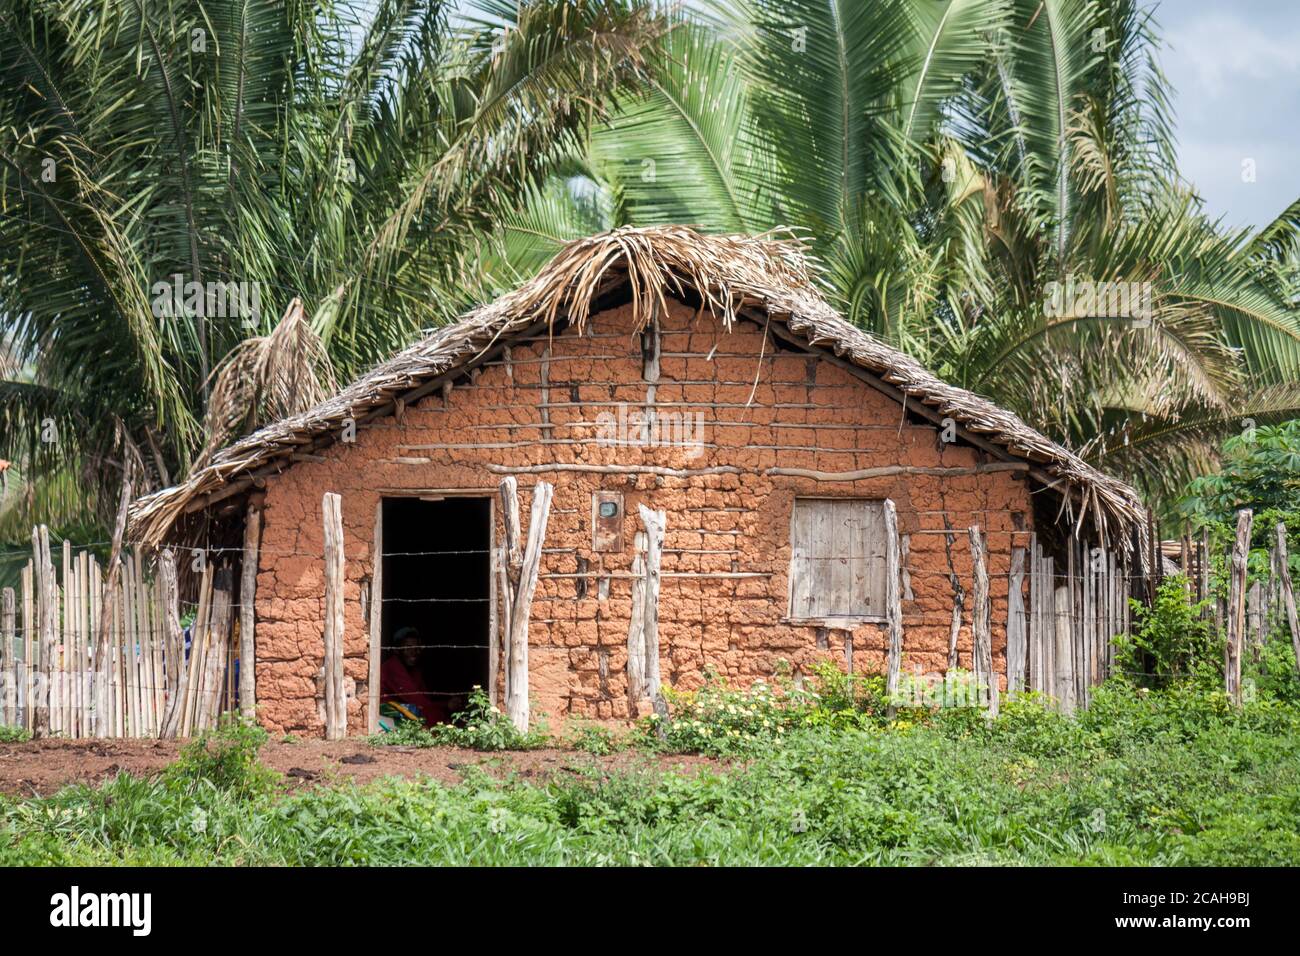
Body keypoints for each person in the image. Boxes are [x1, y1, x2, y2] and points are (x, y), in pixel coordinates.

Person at [380, 628, 448, 727]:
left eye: (416, 648)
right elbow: (417, 701)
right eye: (408, 647)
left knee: (429, 711)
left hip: (404, 706)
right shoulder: (393, 667)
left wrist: (443, 707)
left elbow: (425, 698)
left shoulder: (414, 669)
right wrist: (445, 705)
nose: (413, 652)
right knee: (419, 711)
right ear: (397, 650)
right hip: (385, 708)